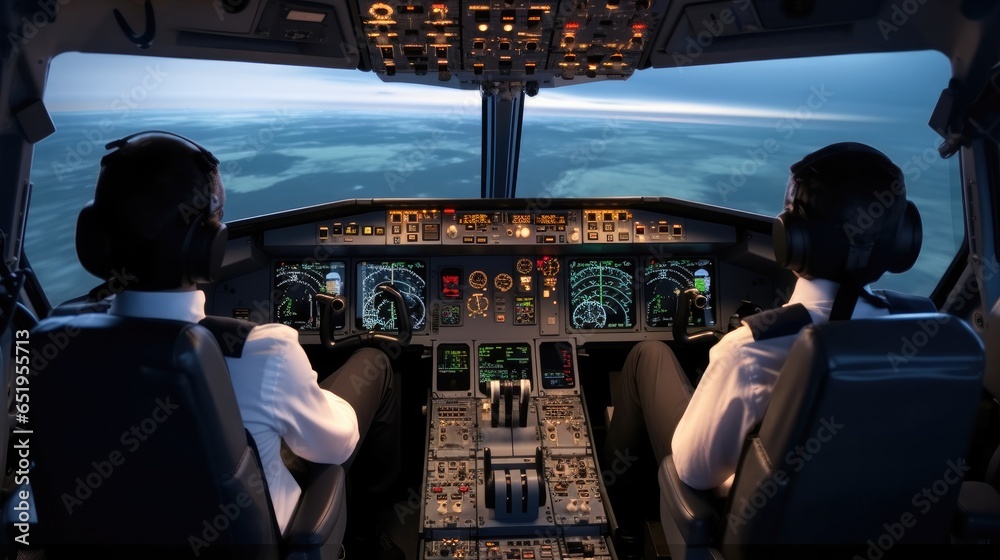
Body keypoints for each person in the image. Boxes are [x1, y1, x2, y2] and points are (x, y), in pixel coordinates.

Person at [74, 130, 405, 560]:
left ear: (93, 233)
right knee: (374, 361)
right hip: (263, 535)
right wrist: (307, 392)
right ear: (207, 245)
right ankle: (368, 533)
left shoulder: (55, 341)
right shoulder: (259, 352)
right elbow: (336, 446)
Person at [603, 142, 922, 554]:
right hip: (878, 528)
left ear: (792, 239)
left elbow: (696, 473)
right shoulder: (926, 328)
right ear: (902, 238)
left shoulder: (751, 349)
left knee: (649, 356)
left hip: (754, 530)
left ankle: (625, 534)